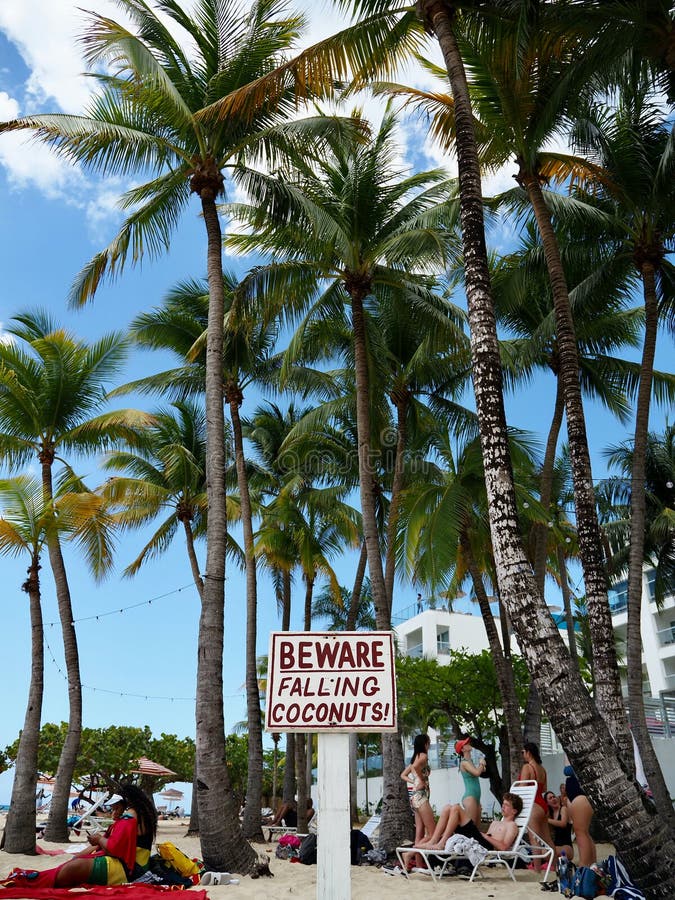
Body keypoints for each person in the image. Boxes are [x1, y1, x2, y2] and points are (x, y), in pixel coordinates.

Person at [3, 784, 157, 889]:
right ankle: (34, 878)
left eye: (116, 807)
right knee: (72, 866)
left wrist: (99, 839)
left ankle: (31, 880)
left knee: (72, 869)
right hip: (130, 865)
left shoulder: (131, 815)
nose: (114, 811)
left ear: (125, 801)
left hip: (128, 869)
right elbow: (107, 844)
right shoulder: (137, 815)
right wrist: (78, 856)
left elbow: (115, 848)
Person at [403, 793, 522, 869]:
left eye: (506, 805)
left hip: (485, 846)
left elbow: (504, 847)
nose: (503, 806)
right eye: (503, 804)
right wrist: (484, 835)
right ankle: (433, 841)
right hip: (478, 840)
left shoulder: (512, 826)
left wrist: (486, 836)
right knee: (448, 808)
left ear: (514, 811)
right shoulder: (496, 822)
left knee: (456, 808)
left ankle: (440, 843)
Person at [519, 741, 553, 870]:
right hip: (542, 804)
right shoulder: (542, 769)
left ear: (529, 752)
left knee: (534, 839)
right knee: (547, 839)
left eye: (523, 752)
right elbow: (544, 789)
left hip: (532, 804)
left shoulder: (527, 767)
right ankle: (555, 866)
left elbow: (522, 788)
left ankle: (537, 869)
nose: (523, 754)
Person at [400, 733, 435, 846]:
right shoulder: (423, 756)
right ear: (425, 744)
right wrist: (421, 780)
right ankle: (409, 853)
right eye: (428, 742)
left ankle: (417, 858)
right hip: (421, 796)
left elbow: (403, 775)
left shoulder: (415, 758)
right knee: (432, 834)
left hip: (415, 797)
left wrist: (414, 781)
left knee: (419, 833)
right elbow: (415, 767)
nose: (429, 745)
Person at [564, 763, 596, 866]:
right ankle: (591, 863)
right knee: (583, 832)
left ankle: (584, 864)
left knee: (580, 832)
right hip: (575, 794)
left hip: (580, 793)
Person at [455, 736, 486, 827]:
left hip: (476, 798)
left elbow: (481, 770)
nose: (469, 744)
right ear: (463, 749)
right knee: (471, 829)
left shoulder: (470, 762)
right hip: (470, 798)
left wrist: (482, 766)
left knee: (477, 829)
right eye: (466, 744)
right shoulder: (464, 763)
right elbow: (477, 773)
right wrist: (481, 763)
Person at [545, 790, 574, 860]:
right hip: (556, 846)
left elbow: (563, 824)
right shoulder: (550, 815)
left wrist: (547, 820)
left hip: (567, 847)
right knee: (544, 852)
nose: (553, 799)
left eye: (554, 796)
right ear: (547, 803)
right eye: (550, 798)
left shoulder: (563, 809)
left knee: (549, 853)